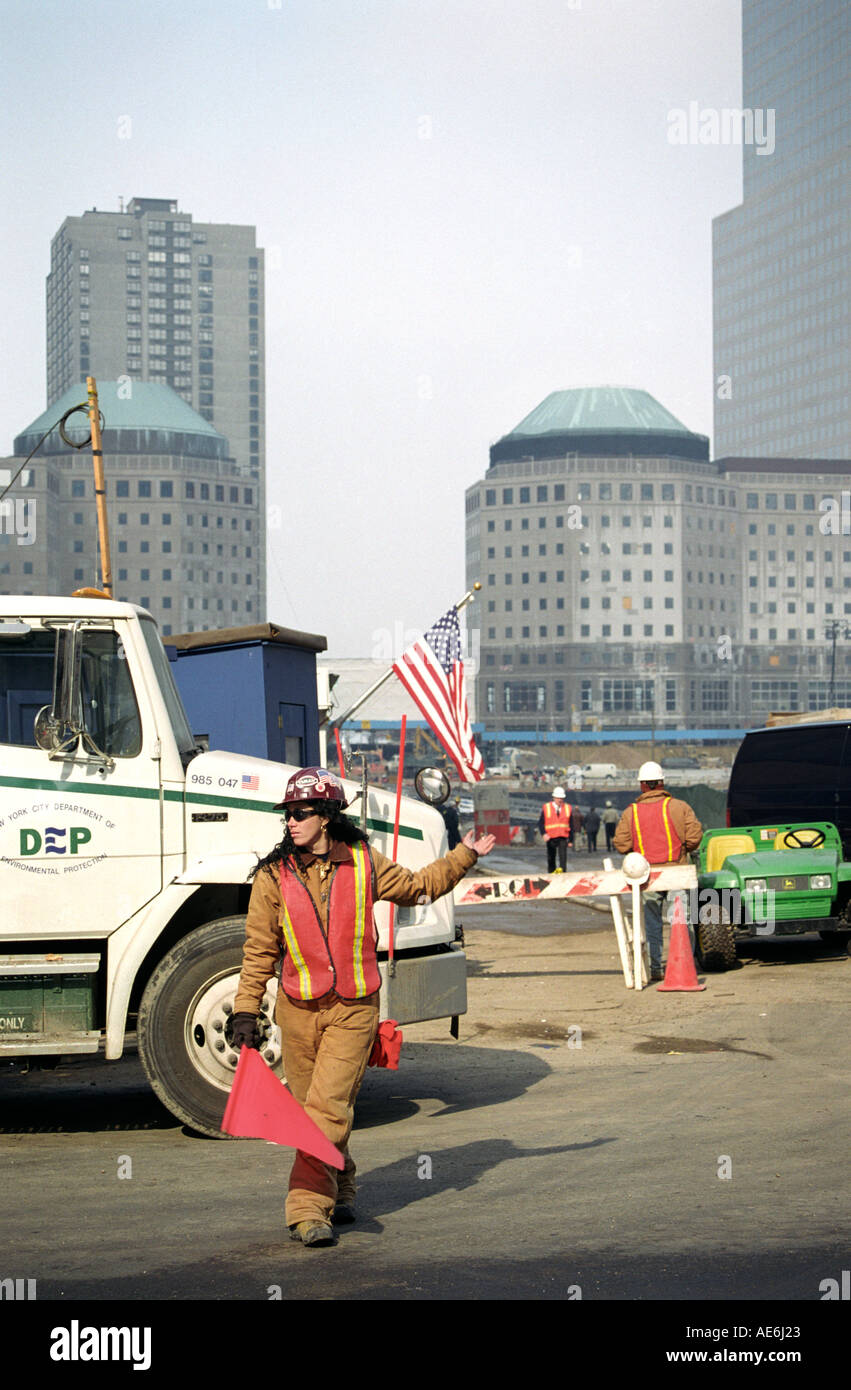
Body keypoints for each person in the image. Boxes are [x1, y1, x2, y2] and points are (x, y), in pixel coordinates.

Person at [230, 766, 495, 1248]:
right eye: (288, 813)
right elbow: (258, 950)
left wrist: (464, 856)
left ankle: (307, 1209)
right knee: (312, 1111)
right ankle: (342, 1186)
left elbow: (417, 887)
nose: (291, 822)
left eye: (302, 812)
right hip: (297, 1012)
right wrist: (246, 1011)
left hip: (354, 1010)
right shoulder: (271, 876)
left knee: (326, 1111)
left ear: (327, 816)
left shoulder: (363, 862)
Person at [612, 761, 702, 981]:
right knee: (682, 921)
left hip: (646, 877)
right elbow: (694, 837)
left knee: (652, 923)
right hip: (676, 874)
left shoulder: (630, 812)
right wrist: (681, 852)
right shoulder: (679, 807)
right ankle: (684, 968)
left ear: (642, 786)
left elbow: (622, 844)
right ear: (662, 783)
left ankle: (655, 968)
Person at [538, 785, 572, 873]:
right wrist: (543, 833)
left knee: (563, 858)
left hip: (563, 836)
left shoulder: (568, 808)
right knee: (551, 858)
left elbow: (571, 824)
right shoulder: (546, 807)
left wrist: (571, 840)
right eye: (558, 798)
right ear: (553, 798)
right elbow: (541, 823)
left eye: (561, 798)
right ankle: (551, 874)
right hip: (551, 837)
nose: (560, 800)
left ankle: (563, 875)